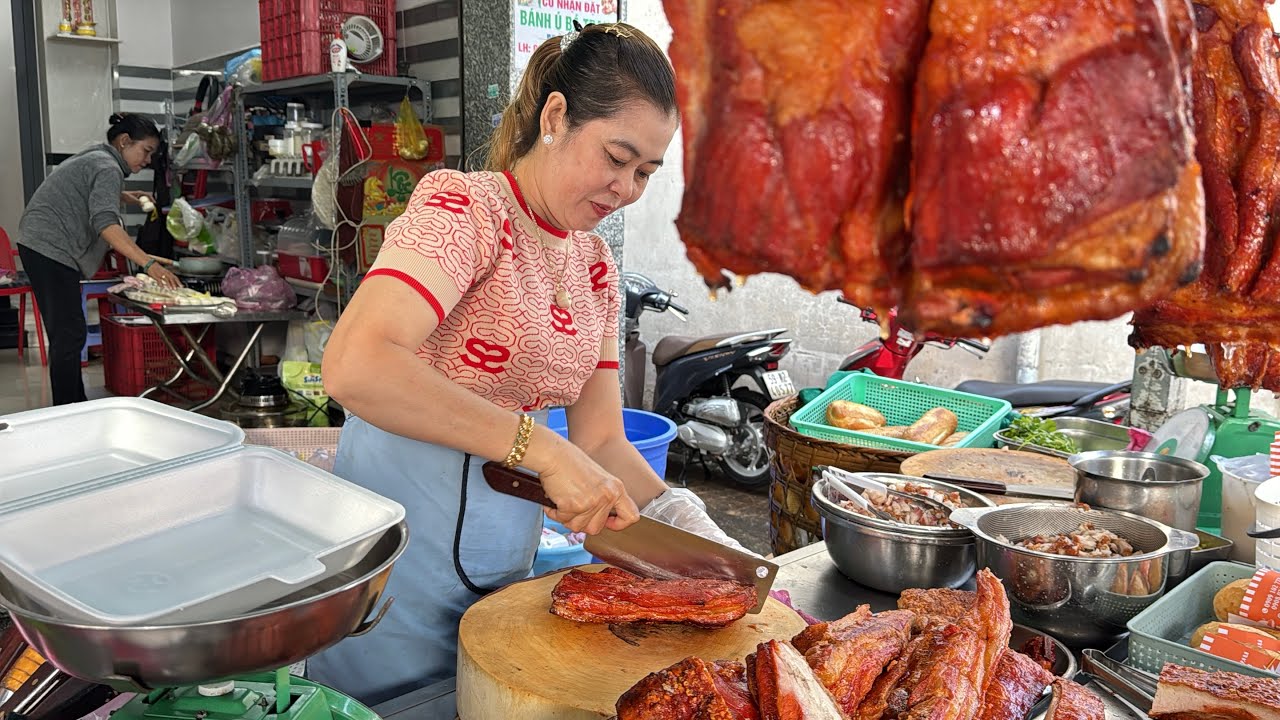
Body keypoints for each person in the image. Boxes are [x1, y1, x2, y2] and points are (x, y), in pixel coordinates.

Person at [309, 22, 750, 705]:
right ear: (555, 117)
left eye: (645, 173)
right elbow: (356, 364)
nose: (627, 188)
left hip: (500, 562)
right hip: (397, 549)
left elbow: (601, 439)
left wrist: (680, 520)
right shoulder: (465, 211)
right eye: (617, 157)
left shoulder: (595, 265)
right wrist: (537, 446)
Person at [17, 113, 179, 405]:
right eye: (146, 151)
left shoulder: (97, 156)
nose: (147, 161)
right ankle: (69, 411)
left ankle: (74, 404)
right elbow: (105, 223)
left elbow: (85, 192)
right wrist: (148, 264)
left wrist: (125, 197)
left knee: (68, 333)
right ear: (124, 141)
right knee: (68, 336)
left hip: (39, 242)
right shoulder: (107, 167)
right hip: (51, 247)